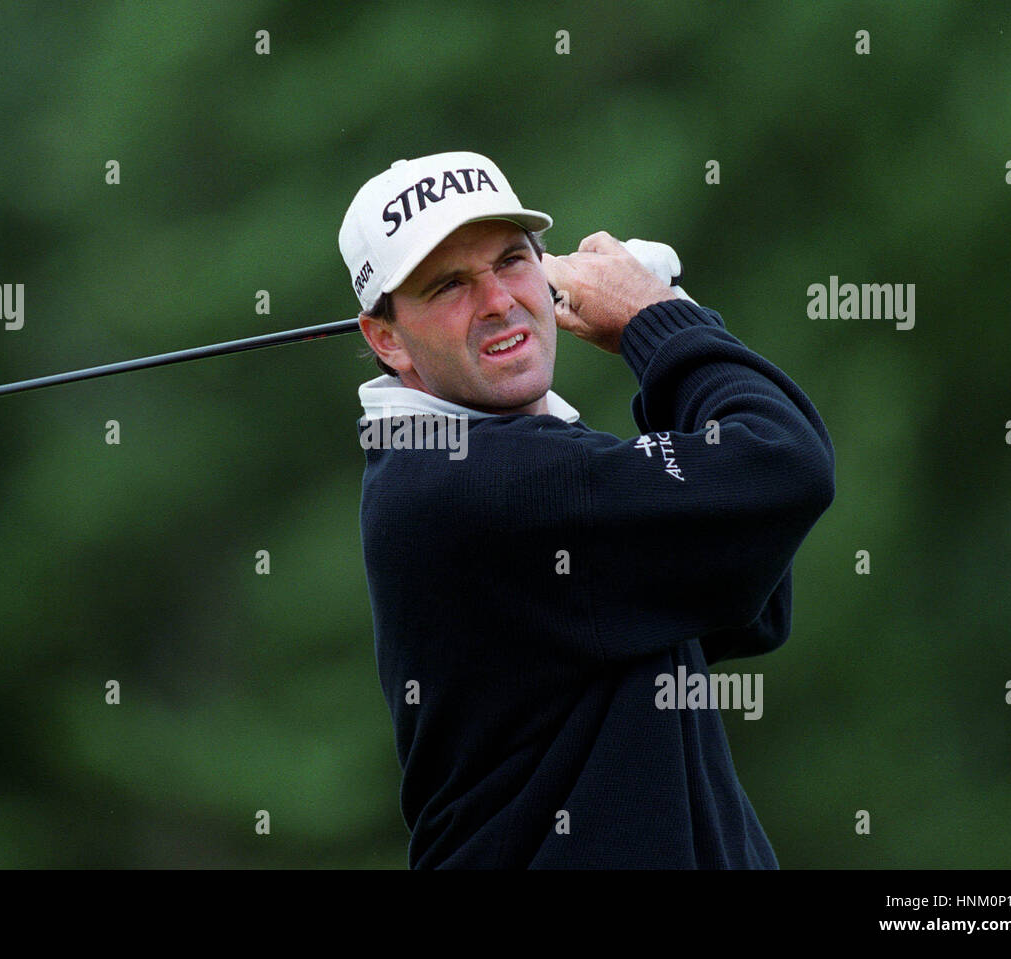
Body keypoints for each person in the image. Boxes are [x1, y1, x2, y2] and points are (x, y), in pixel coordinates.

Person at [338, 150, 835, 869]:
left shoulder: (504, 461)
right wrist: (661, 321)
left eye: (511, 260)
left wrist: (671, 334)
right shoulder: (465, 480)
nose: (499, 301)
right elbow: (784, 463)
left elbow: (749, 594)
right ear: (386, 338)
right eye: (449, 284)